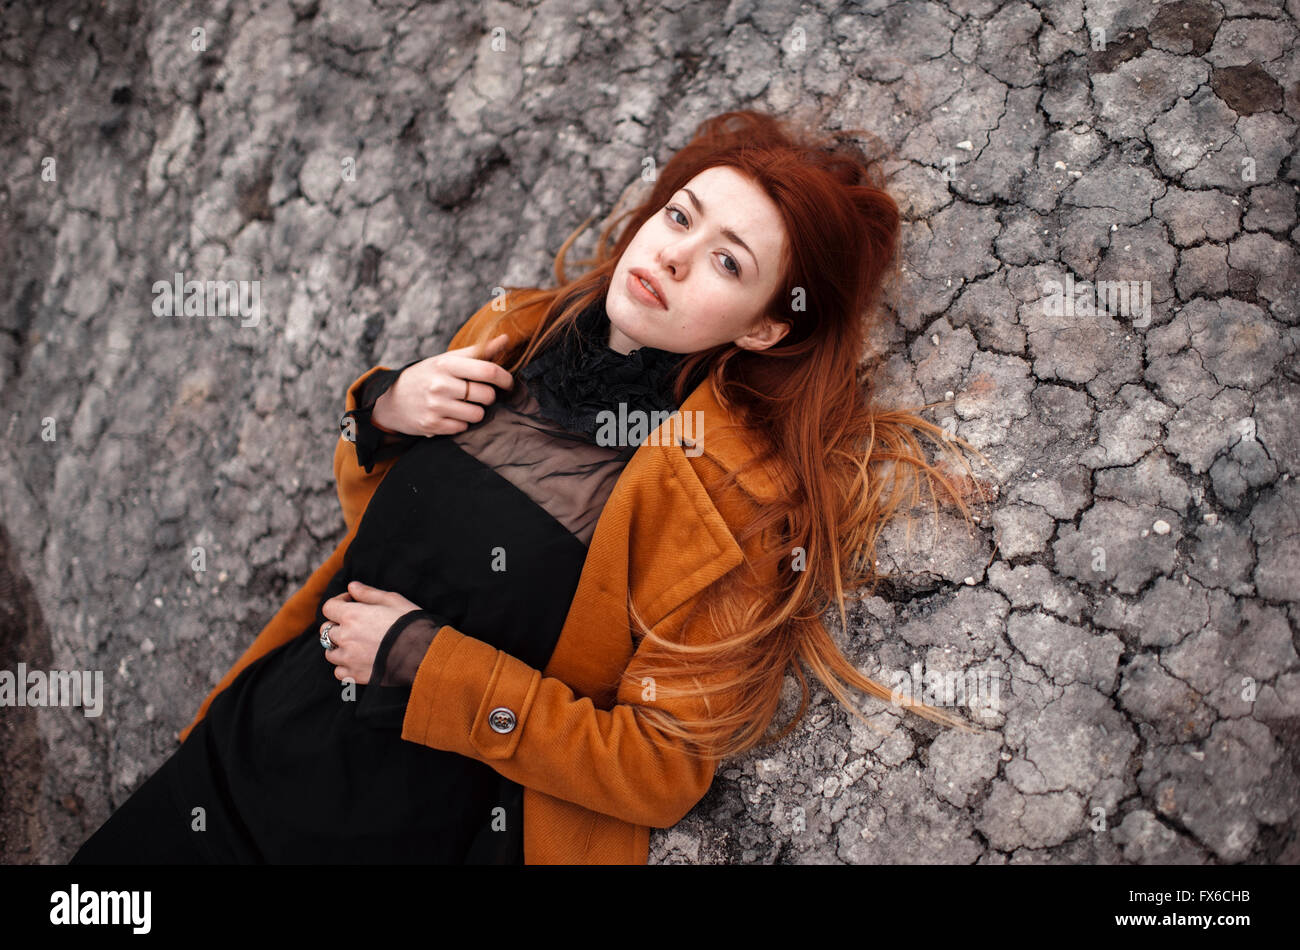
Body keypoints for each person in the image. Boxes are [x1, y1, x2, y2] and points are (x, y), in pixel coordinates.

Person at [70, 107, 988, 866]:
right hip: (242, 757)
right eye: (680, 216)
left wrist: (432, 667)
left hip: (404, 845)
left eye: (729, 262)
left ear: (762, 332)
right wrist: (383, 412)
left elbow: (662, 768)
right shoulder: (516, 327)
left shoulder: (727, 502)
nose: (672, 255)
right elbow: (382, 530)